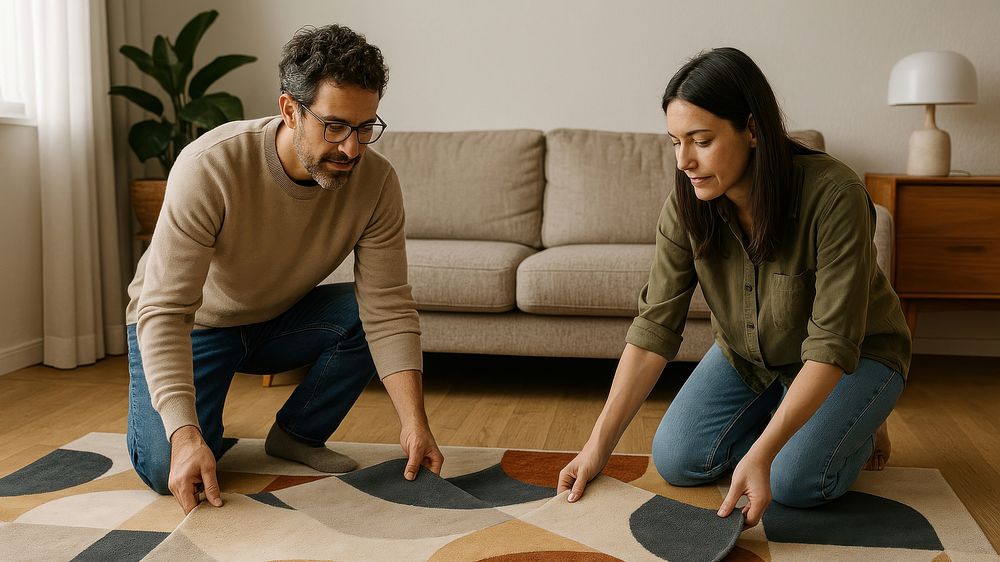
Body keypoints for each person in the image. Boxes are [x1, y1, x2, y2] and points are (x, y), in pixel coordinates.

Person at [557, 47, 911, 529]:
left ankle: (857, 423)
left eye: (701, 140)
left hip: (854, 357)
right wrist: (596, 448)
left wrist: (765, 454)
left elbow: (832, 345)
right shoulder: (686, 204)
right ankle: (802, 424)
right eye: (674, 141)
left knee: (793, 483)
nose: (684, 160)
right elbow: (654, 328)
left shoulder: (834, 195)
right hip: (751, 357)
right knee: (678, 461)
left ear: (752, 129)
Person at [125, 24, 444, 514]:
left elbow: (388, 306)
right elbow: (165, 311)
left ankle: (296, 435)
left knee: (358, 315)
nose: (352, 148)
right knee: (168, 464)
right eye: (335, 126)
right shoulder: (210, 166)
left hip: (275, 320)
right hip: (193, 325)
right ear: (290, 111)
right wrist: (186, 436)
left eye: (365, 127)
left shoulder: (377, 182)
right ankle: (193, 430)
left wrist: (413, 422)